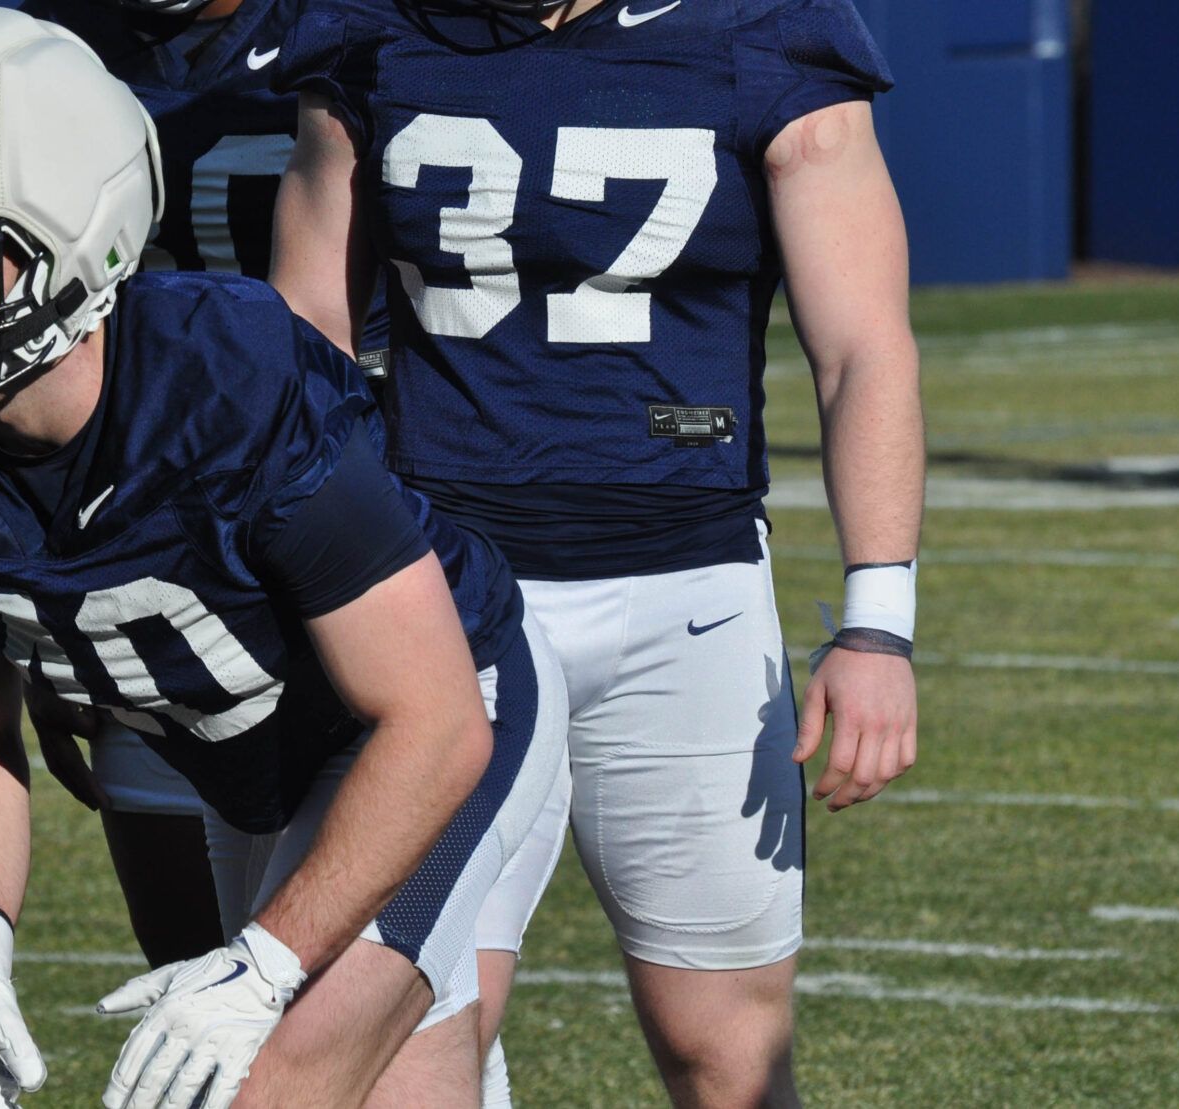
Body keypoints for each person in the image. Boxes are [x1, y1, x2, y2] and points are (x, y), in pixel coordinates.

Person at [0, 8, 568, 1107]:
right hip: (249, 760)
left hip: (438, 717)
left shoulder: (221, 376)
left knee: (274, 1079)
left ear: (69, 230)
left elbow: (434, 720)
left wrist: (265, 967)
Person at [267, 0, 925, 1105]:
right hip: (442, 602)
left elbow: (863, 346)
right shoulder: (372, 27)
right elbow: (306, 336)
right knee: (406, 1036)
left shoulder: (763, 28)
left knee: (726, 1051)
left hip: (686, 597)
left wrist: (877, 625)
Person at [12, 0, 396, 970]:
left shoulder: (358, 25)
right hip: (145, 545)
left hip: (348, 519)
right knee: (190, 977)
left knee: (379, 979)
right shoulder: (51, 43)